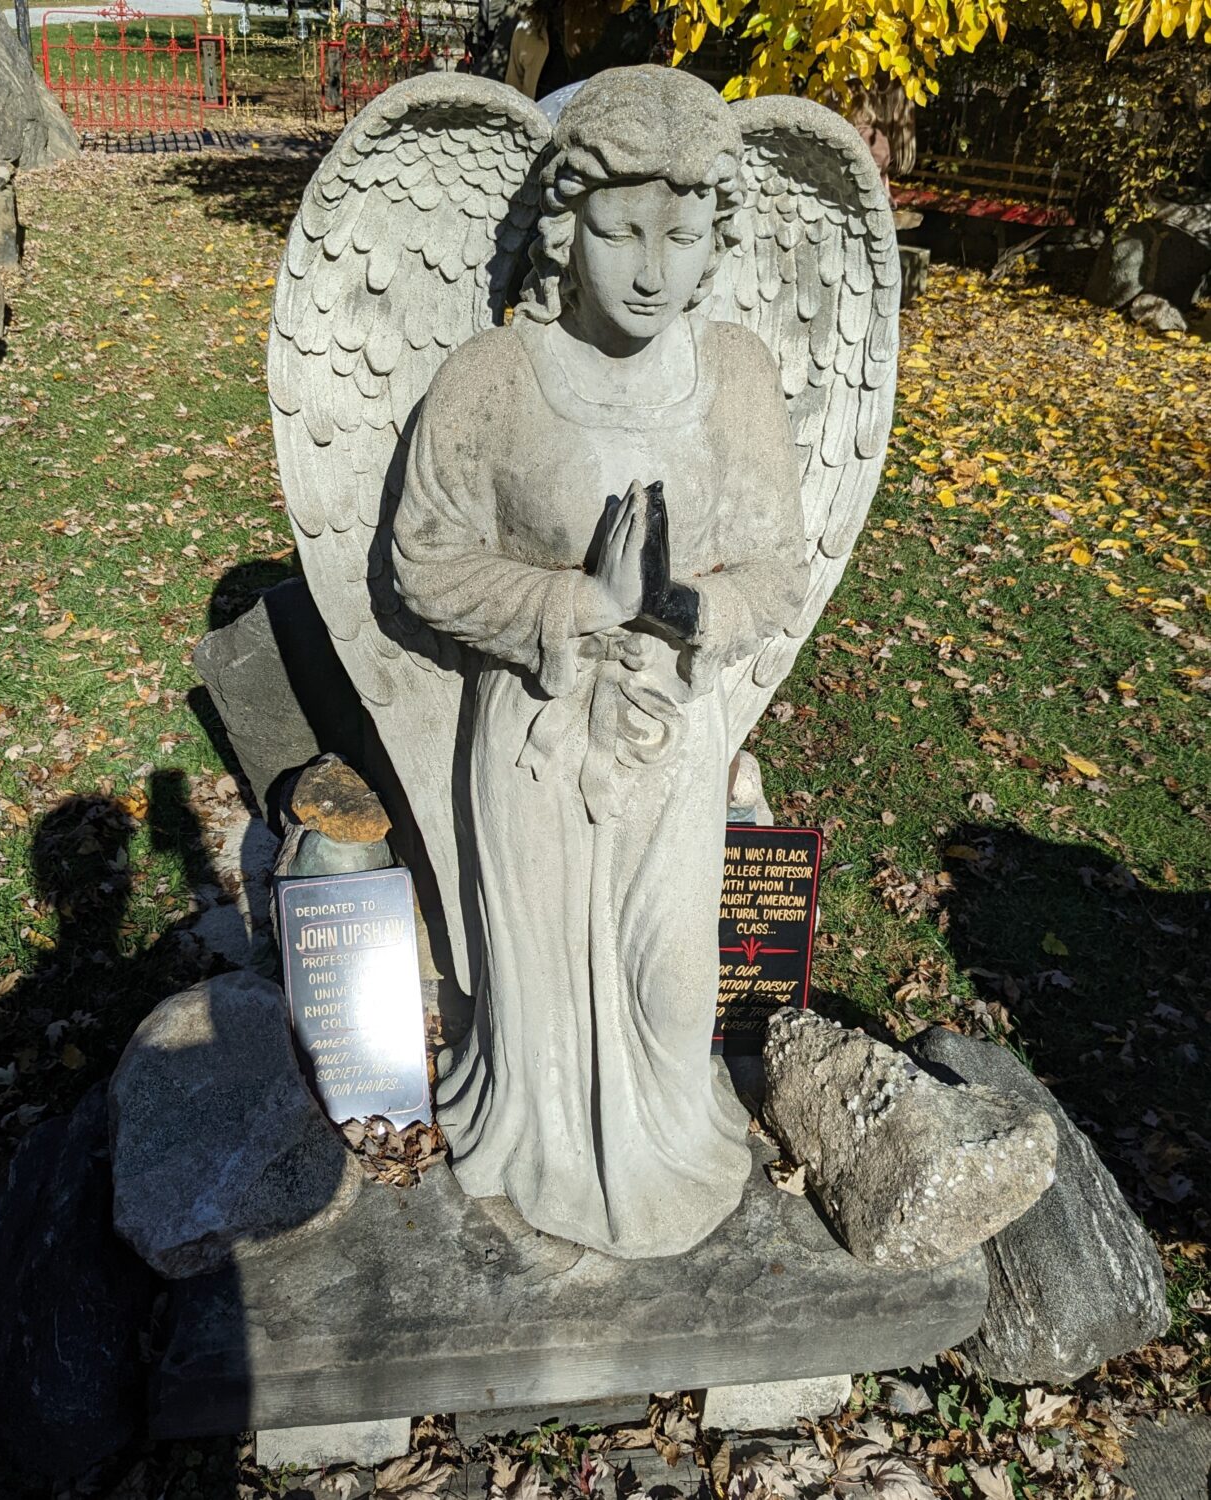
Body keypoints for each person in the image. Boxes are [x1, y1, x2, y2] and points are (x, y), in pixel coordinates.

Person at [390, 68, 809, 1257]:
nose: (648, 268)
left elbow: (778, 564)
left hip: (676, 743)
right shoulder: (494, 378)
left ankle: (668, 1137)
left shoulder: (733, 378)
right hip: (534, 743)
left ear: (713, 238)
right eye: (619, 230)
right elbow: (423, 561)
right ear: (564, 228)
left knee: (674, 993)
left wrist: (674, 605)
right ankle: (542, 1148)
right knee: (541, 1000)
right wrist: (582, 600)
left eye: (681, 237)